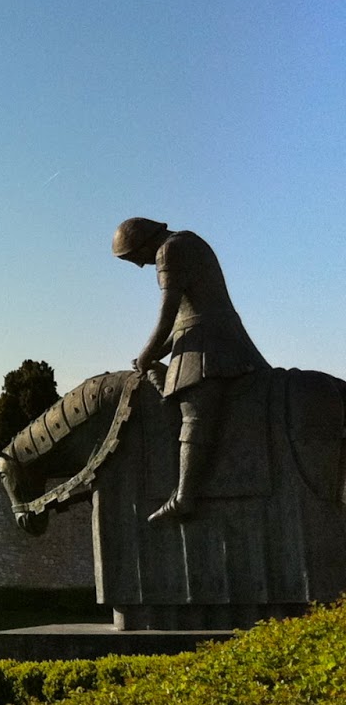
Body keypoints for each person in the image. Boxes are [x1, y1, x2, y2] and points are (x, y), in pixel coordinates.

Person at [113, 218, 269, 521]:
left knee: (193, 409)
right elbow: (187, 316)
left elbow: (169, 314)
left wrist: (146, 353)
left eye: (133, 258)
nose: (138, 266)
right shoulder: (185, 241)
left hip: (210, 340)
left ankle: (184, 497)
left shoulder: (169, 251)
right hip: (202, 331)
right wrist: (157, 353)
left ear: (143, 243)